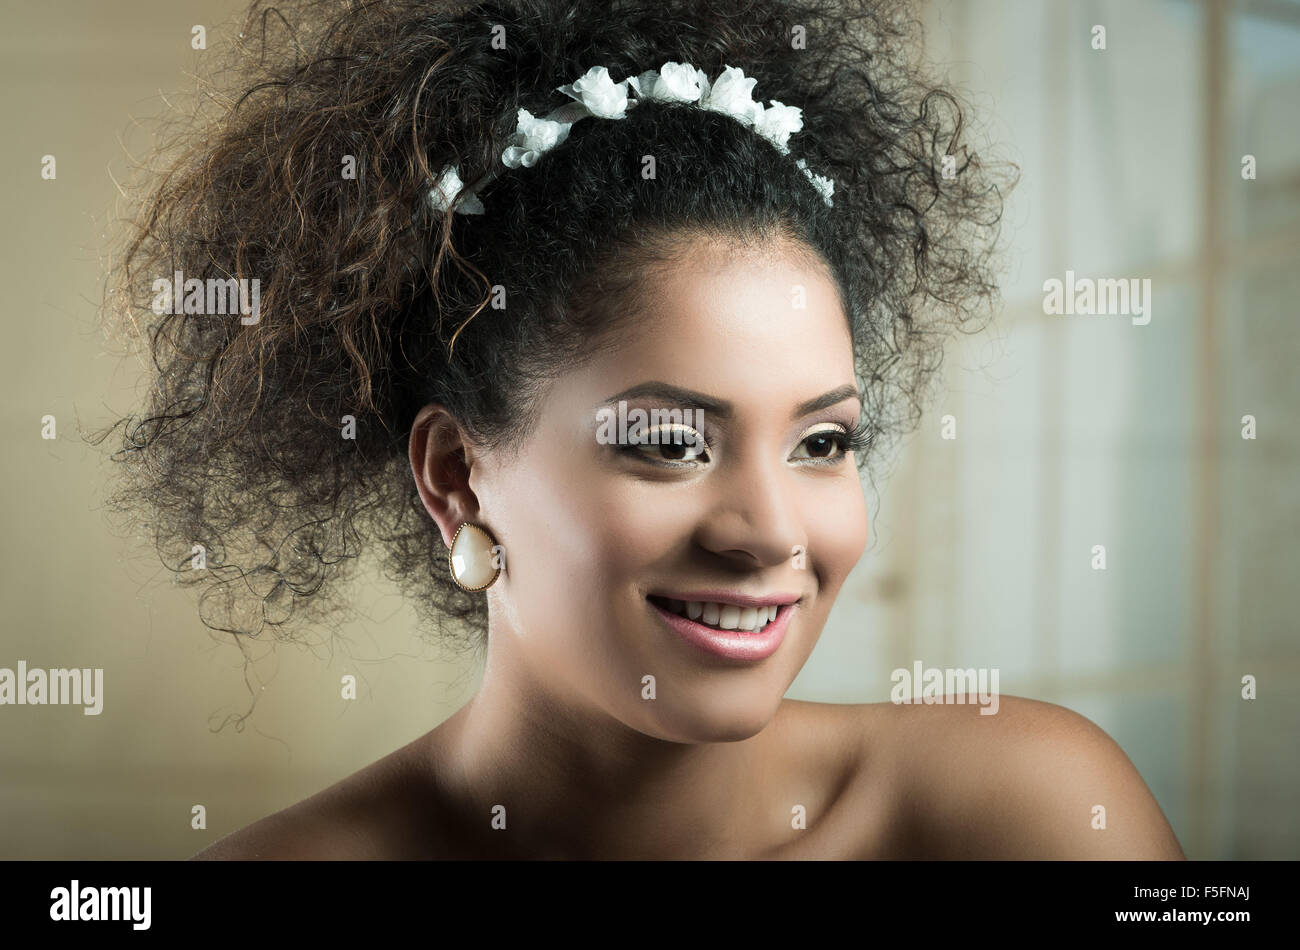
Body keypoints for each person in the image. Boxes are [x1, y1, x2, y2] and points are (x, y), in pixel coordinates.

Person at [96, 0, 1185, 859]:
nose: (768, 533)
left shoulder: (1029, 810)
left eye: (821, 443)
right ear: (457, 477)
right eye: (669, 441)